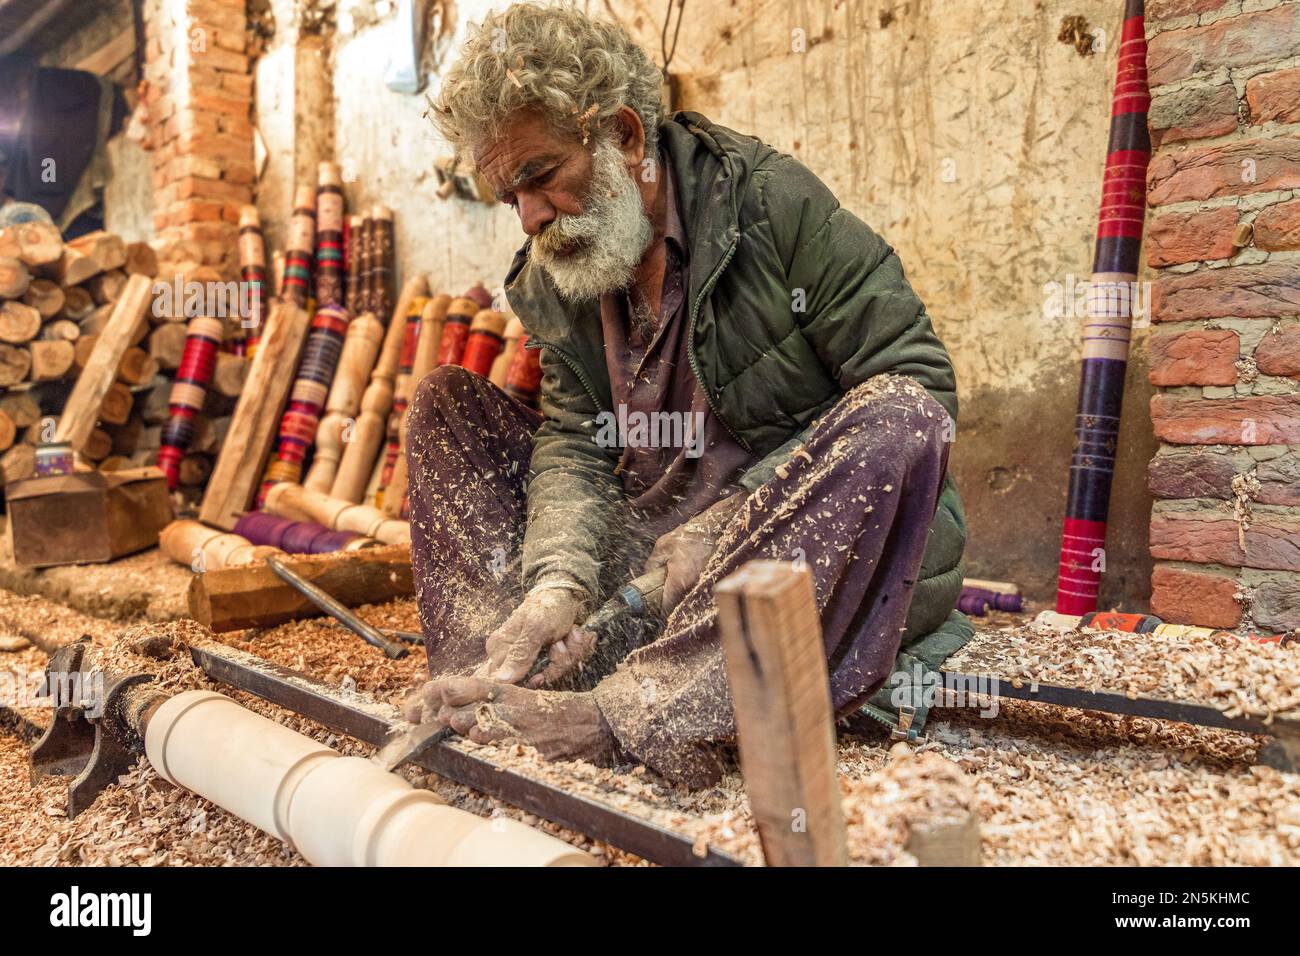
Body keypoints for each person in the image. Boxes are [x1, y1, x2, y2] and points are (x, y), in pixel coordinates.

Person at [402, 3, 968, 786]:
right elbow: (574, 440)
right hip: (645, 562)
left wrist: (739, 514)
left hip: (776, 551)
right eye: (511, 198)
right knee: (444, 408)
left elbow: (924, 384)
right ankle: (497, 682)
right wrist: (558, 584)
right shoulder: (564, 265)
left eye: (540, 178)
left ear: (627, 138)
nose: (530, 217)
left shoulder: (771, 204)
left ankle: (629, 711)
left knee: (901, 417)